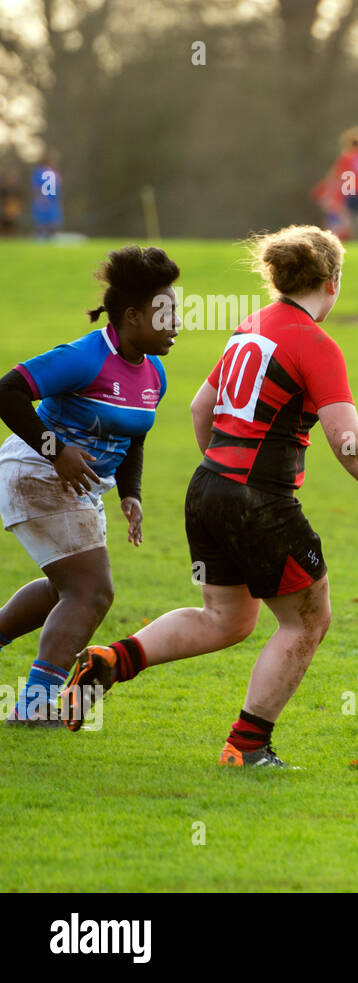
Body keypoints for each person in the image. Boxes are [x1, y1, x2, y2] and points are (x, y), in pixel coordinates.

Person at [66, 226, 358, 767]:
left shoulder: (251, 327)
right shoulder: (315, 343)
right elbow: (346, 438)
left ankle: (113, 658)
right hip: (257, 501)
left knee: (228, 619)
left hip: (207, 488)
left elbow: (202, 408)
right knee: (308, 620)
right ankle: (247, 747)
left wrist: (223, 473)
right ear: (333, 282)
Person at [0, 246, 180, 725]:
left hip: (81, 487)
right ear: (132, 315)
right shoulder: (85, 356)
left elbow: (132, 438)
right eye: (164, 313)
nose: (176, 323)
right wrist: (54, 450)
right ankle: (33, 709)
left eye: (177, 311)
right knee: (91, 592)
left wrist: (131, 493)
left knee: (71, 588)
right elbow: (7, 391)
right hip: (35, 473)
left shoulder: (155, 374)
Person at [31, 150, 62, 240]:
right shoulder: (40, 172)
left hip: (52, 201)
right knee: (42, 223)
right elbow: (36, 186)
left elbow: (57, 184)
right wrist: (40, 197)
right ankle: (41, 237)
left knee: (52, 224)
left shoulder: (54, 171)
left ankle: (49, 237)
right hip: (43, 201)